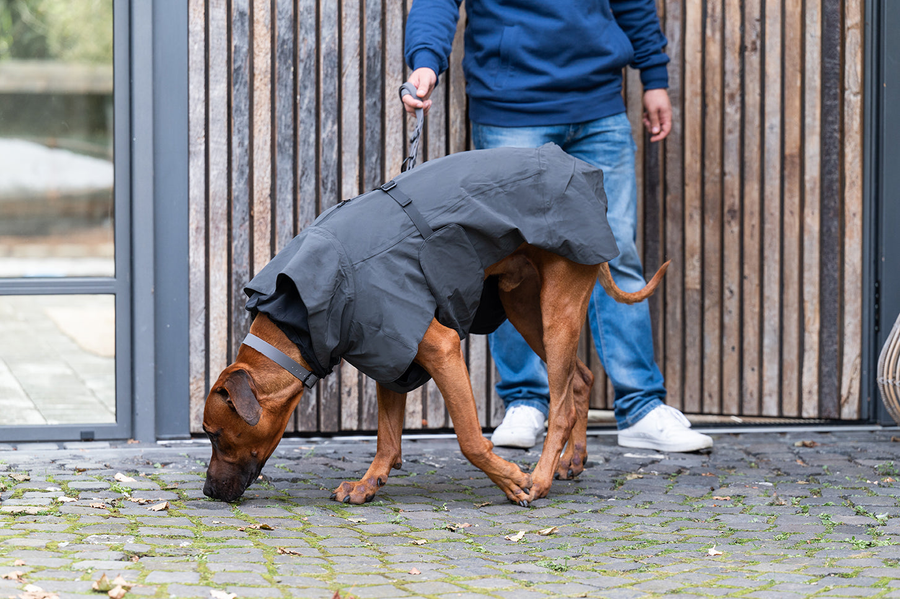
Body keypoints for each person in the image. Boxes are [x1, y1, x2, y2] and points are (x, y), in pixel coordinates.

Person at [402, 0, 713, 453]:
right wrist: (426, 61)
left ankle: (641, 407)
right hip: (511, 108)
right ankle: (525, 402)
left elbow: (633, 3)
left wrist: (655, 77)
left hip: (599, 106)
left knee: (614, 250)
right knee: (511, 264)